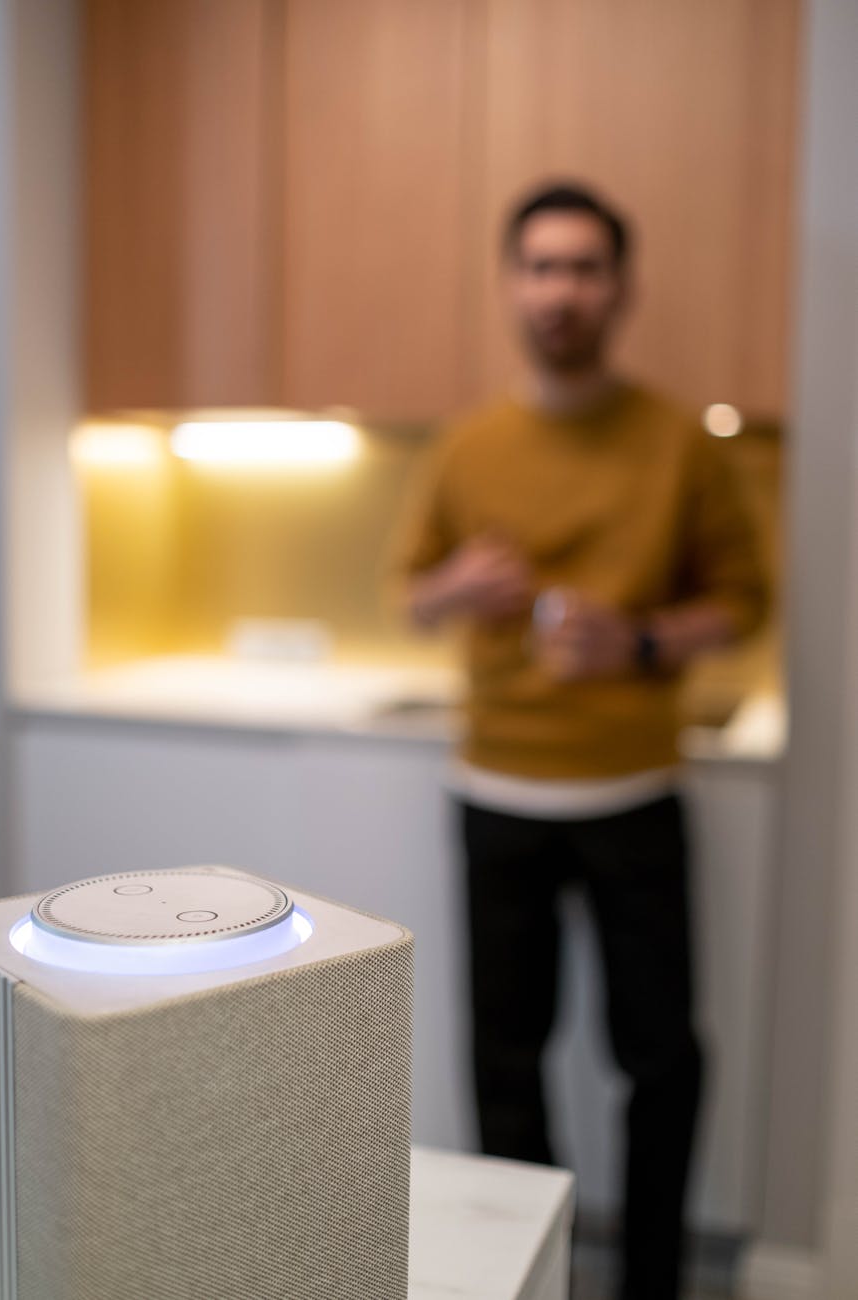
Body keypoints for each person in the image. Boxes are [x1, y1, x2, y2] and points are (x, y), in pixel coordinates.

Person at [389, 181, 768, 1300]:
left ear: (622, 288)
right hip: (496, 791)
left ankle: (652, 1279)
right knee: (505, 1063)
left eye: (585, 267)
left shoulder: (678, 443)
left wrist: (643, 643)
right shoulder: (466, 449)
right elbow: (409, 596)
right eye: (541, 267)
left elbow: (741, 600)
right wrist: (455, 586)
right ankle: (530, 1277)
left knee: (660, 1060)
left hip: (634, 792)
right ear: (511, 286)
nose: (562, 290)